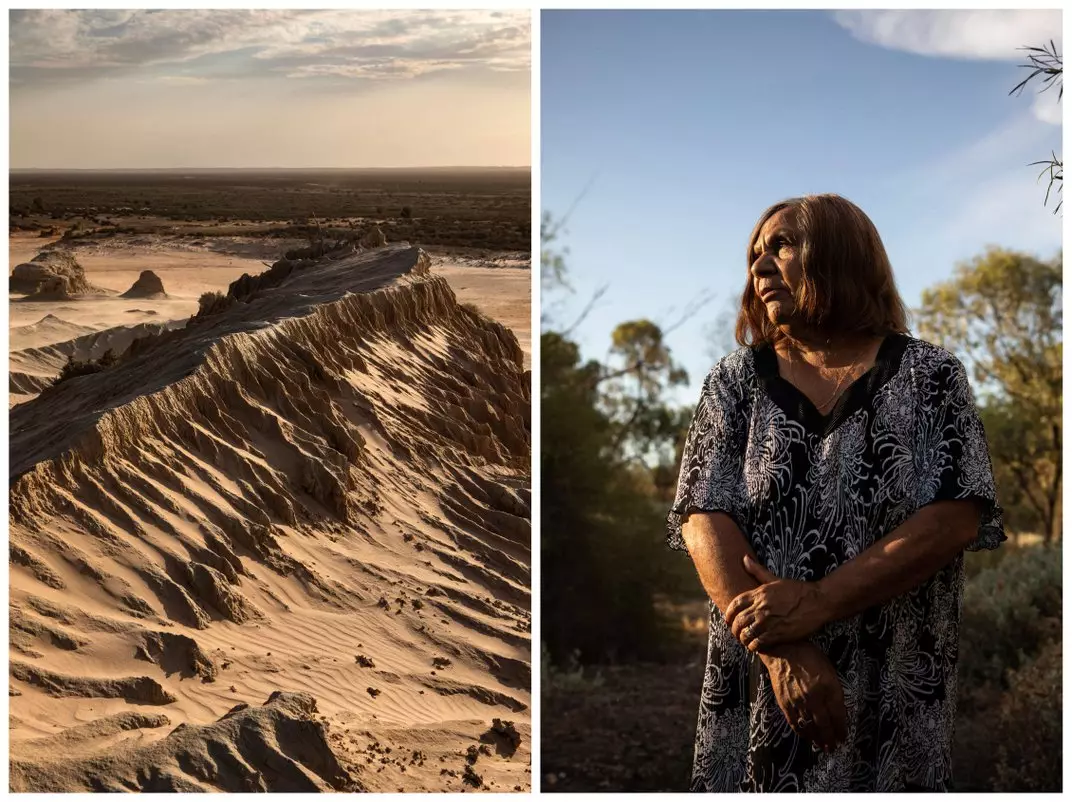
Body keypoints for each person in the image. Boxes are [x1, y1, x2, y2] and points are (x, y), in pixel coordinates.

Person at [667, 193, 1005, 792]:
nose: (760, 267)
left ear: (841, 256)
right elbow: (702, 519)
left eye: (783, 246)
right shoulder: (735, 381)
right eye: (754, 255)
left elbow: (954, 517)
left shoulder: (930, 376)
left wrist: (820, 601)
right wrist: (784, 654)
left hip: (892, 681)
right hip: (759, 683)